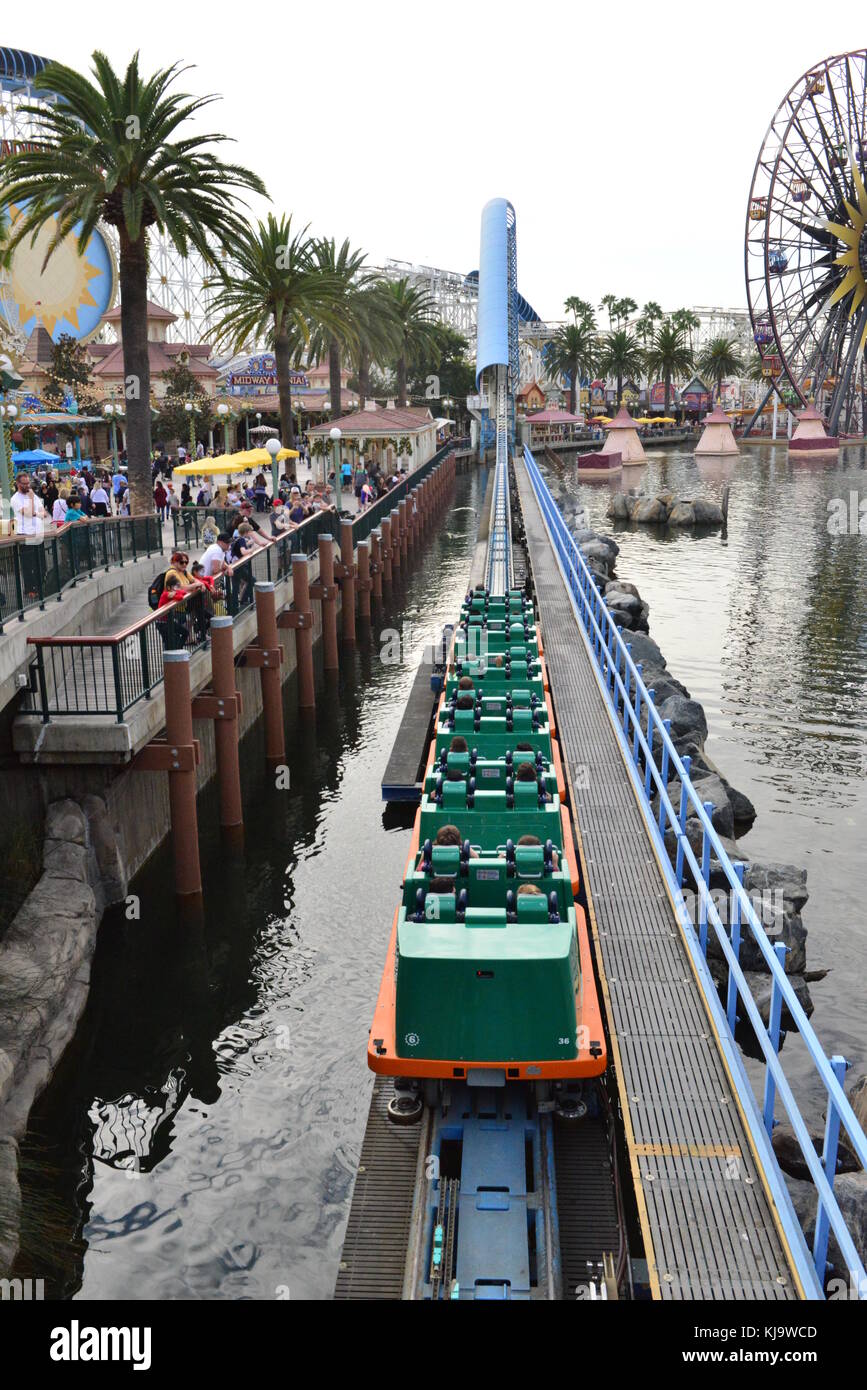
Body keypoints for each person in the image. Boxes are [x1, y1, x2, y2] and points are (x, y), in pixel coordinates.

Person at [10, 472, 45, 537]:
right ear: (18, 484)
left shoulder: (33, 495)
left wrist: (34, 514)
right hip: (24, 535)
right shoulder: (15, 499)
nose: (28, 485)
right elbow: (29, 514)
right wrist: (31, 498)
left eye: (28, 483)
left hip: (38, 533)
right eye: (24, 484)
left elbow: (44, 514)